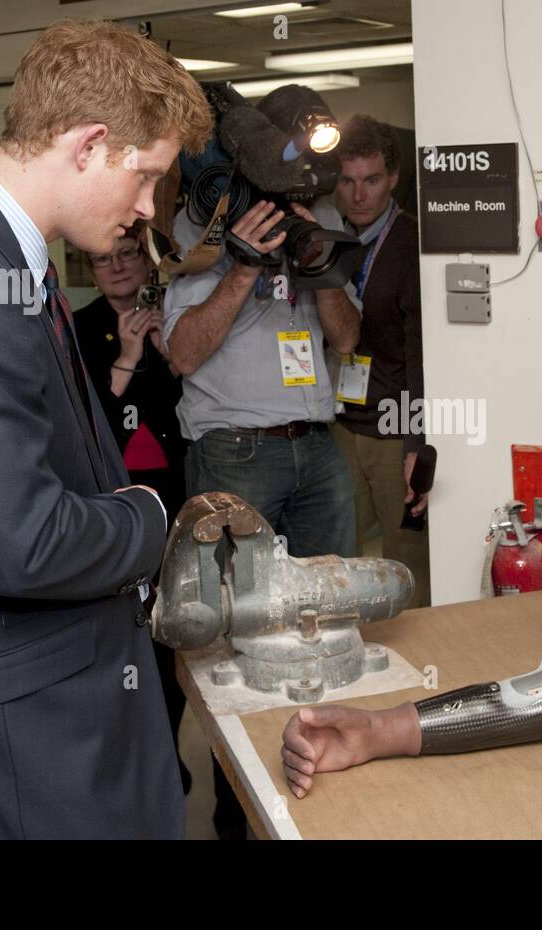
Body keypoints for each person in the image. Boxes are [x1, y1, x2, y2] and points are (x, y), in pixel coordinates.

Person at [0, 19, 212, 839]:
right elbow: (21, 542)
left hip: (61, 699)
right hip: (22, 740)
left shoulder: (1, 259)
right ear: (89, 144)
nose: (145, 208)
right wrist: (152, 516)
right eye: (146, 176)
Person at [162, 83, 362, 839]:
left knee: (332, 623)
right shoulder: (201, 221)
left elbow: (346, 339)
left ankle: (326, 787)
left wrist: (321, 262)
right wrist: (242, 265)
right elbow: (181, 354)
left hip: (317, 450)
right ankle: (240, 811)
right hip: (235, 455)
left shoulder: (322, 215)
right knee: (236, 641)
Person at [75, 223, 190, 793]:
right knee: (135, 644)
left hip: (183, 495)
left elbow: (199, 398)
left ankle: (181, 760)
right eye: (103, 260)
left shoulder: (181, 313)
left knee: (184, 632)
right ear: (90, 270)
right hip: (119, 506)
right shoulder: (76, 329)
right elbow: (85, 428)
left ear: (149, 263)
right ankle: (154, 763)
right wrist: (126, 356)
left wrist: (168, 353)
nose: (117, 267)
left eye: (127, 256)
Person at [330, 115, 430, 607]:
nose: (358, 194)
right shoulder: (328, 241)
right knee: (342, 562)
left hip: (394, 430)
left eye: (370, 180)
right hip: (343, 423)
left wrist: (418, 442)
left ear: (392, 178)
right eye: (347, 181)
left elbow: (421, 355)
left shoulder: (412, 243)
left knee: (406, 566)